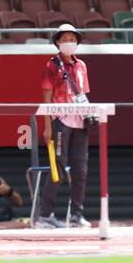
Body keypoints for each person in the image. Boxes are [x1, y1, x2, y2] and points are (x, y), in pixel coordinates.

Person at [38, 24, 95, 229]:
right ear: (58, 43)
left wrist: (90, 113)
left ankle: (76, 215)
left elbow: (83, 94)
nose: (69, 42)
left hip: (80, 122)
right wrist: (46, 126)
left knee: (81, 170)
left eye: (72, 39)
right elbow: (45, 96)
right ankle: (45, 215)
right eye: (65, 39)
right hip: (60, 121)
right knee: (58, 169)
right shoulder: (52, 65)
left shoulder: (82, 66)